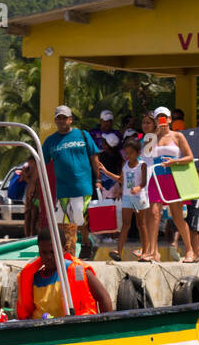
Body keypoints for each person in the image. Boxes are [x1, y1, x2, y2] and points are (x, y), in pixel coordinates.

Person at [40, 105, 100, 257]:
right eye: (58, 118)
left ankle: (88, 242)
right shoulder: (50, 141)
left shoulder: (82, 134)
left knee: (79, 218)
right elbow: (41, 163)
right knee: (64, 222)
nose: (61, 121)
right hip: (63, 189)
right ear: (55, 120)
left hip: (82, 185)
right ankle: (70, 252)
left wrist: (98, 179)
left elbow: (94, 158)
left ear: (70, 119)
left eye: (64, 118)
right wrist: (33, 186)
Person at [15, 228, 113, 319]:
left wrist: (107, 327)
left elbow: (104, 298)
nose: (48, 257)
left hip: (75, 330)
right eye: (44, 252)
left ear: (65, 249)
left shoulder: (79, 271)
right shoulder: (33, 279)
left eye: (53, 252)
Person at [149, 106, 199, 263]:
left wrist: (175, 161)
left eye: (164, 117)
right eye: (159, 118)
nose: (161, 120)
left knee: (177, 216)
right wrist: (155, 134)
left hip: (173, 178)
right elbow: (145, 155)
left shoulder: (178, 136)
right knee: (154, 214)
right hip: (156, 178)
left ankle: (190, 250)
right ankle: (153, 251)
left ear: (170, 119)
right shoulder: (151, 137)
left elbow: (190, 156)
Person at [102, 137, 152, 261]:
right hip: (127, 198)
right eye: (127, 153)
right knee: (125, 225)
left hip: (140, 198)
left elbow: (144, 182)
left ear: (138, 153)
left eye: (131, 153)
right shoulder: (125, 165)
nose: (128, 155)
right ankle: (118, 251)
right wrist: (105, 171)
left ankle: (145, 252)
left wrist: (138, 188)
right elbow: (120, 179)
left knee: (141, 224)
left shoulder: (142, 165)